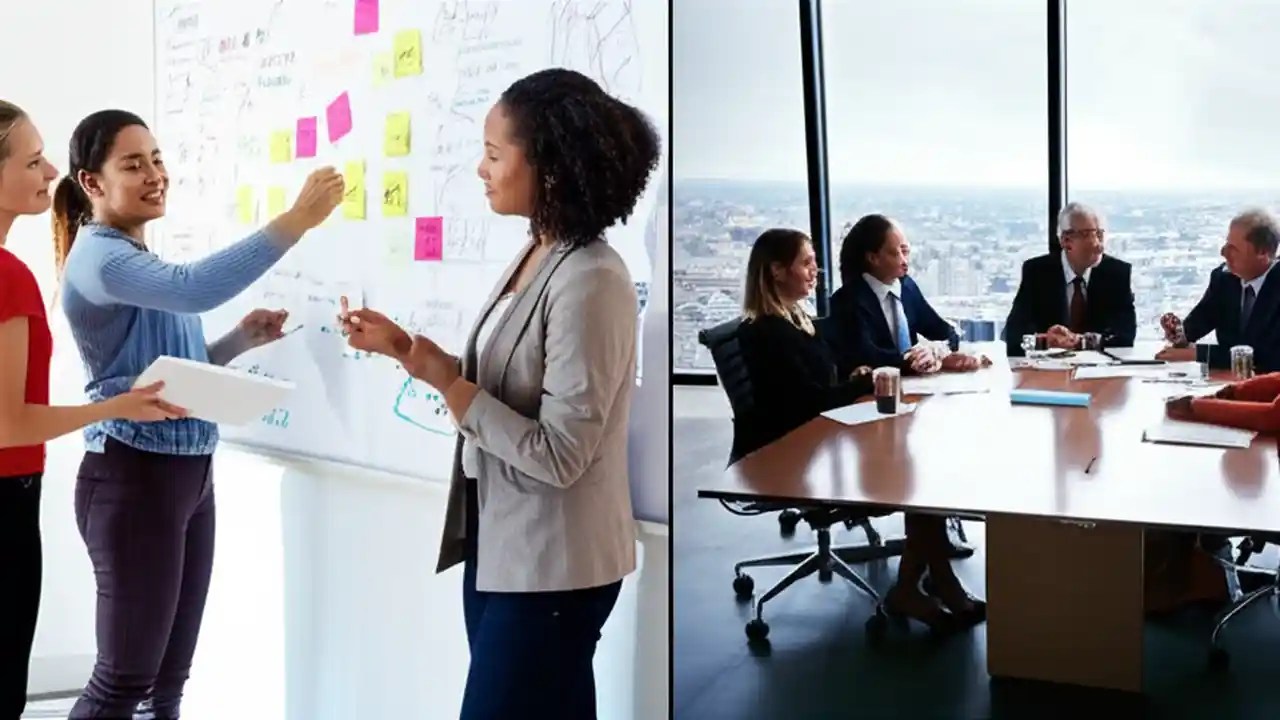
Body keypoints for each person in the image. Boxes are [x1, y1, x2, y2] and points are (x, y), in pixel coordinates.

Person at [338, 68, 658, 719]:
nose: (479, 169)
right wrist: (407, 351)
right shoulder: (539, 251)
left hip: (554, 571)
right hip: (503, 551)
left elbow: (562, 452)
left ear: (551, 166)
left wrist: (447, 383)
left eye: (492, 153)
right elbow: (507, 387)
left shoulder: (592, 278)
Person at [52, 109, 342, 719]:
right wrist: (295, 222)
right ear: (92, 183)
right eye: (134, 164)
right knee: (123, 682)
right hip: (134, 479)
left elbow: (168, 373)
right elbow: (193, 289)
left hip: (186, 475)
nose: (155, 173)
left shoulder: (136, 259)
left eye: (157, 158)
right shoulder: (103, 259)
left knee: (167, 684)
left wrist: (236, 342)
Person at [0, 102, 184, 720]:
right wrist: (113, 406)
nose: (50, 169)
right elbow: (10, 424)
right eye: (32, 160)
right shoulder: (9, 278)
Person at [735, 228, 986, 635]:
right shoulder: (767, 331)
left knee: (920, 475)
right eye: (806, 262)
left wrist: (856, 375)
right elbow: (809, 400)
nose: (816, 270)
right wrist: (865, 382)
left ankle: (925, 585)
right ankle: (926, 586)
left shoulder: (796, 319)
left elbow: (822, 379)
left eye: (815, 260)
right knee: (915, 480)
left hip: (819, 435)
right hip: (790, 454)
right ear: (777, 271)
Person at [825, 214, 989, 378]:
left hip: (913, 388)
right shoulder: (847, 301)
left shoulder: (905, 286)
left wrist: (937, 351)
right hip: (872, 393)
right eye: (897, 253)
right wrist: (912, 359)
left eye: (906, 252)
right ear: (873, 258)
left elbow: (944, 331)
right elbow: (868, 356)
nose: (905, 261)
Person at [1004, 202, 1137, 356]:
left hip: (1099, 373)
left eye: (1100, 234)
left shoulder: (1117, 273)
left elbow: (1125, 336)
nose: (1098, 245)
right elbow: (1014, 334)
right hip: (1049, 374)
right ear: (1066, 241)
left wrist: (1080, 341)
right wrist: (1046, 340)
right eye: (1088, 234)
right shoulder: (1037, 272)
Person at [1156, 209, 1280, 372]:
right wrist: (1179, 335)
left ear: (1262, 252)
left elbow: (1266, 356)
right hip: (1229, 382)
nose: (1223, 253)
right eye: (1226, 244)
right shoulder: (1224, 279)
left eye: (1233, 248)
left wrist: (1198, 353)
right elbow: (1199, 322)